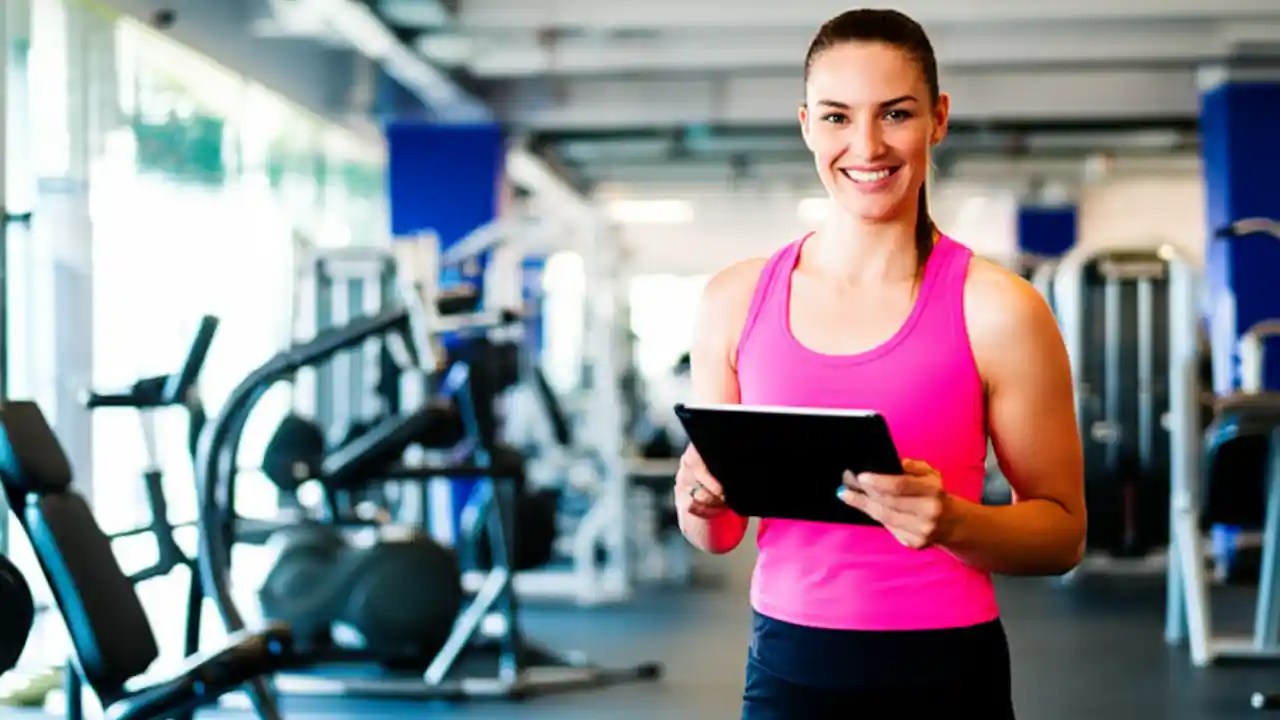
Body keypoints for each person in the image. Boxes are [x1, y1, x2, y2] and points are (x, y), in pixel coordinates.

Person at [672, 9, 1086, 719]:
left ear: (938, 119)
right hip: (785, 666)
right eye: (837, 117)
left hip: (946, 669)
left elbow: (1062, 534)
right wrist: (696, 495)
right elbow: (718, 536)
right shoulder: (734, 299)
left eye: (895, 113)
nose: (866, 145)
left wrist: (953, 521)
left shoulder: (1000, 309)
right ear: (806, 125)